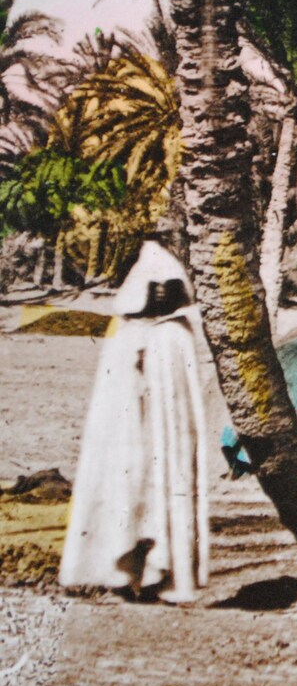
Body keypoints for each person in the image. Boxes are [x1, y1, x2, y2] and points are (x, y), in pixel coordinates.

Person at [59, 239, 210, 602]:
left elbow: (181, 409)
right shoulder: (124, 337)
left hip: (165, 445)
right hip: (128, 442)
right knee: (124, 497)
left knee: (162, 500)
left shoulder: (177, 336)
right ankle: (120, 574)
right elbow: (112, 401)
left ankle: (160, 575)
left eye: (167, 287)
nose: (158, 293)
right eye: (152, 285)